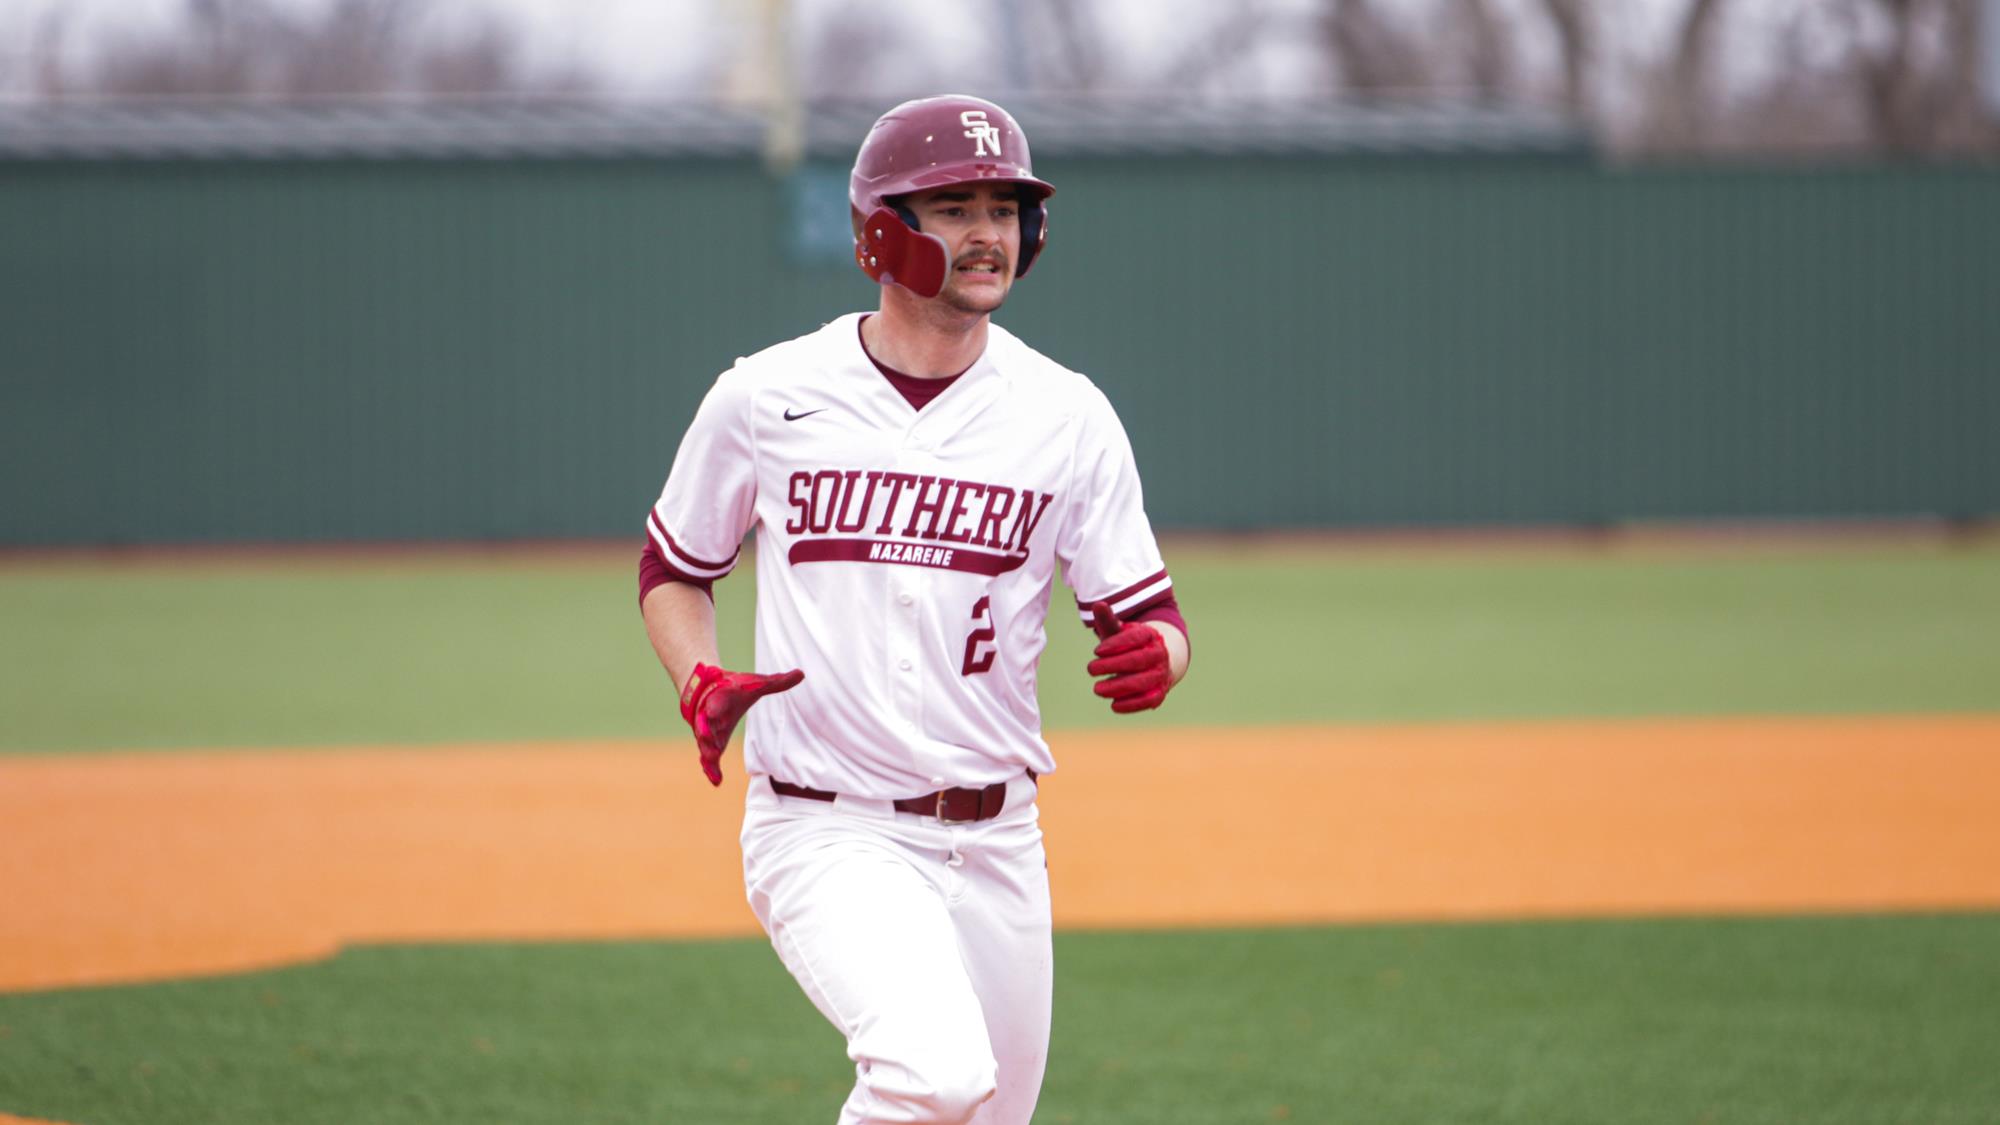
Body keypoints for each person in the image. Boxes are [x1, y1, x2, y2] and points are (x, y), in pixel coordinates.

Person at [638, 93, 1190, 1125]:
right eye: (953, 208)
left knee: (985, 1113)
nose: (988, 233)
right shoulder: (766, 396)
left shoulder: (1067, 415)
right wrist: (696, 677)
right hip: (826, 824)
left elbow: (1149, 609)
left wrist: (1162, 652)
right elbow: (673, 567)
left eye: (1004, 208)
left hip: (999, 836)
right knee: (933, 1077)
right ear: (881, 232)